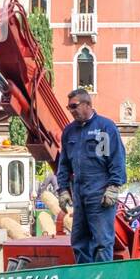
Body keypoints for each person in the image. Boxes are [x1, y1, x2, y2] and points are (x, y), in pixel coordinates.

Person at [55, 87, 127, 263]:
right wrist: (63, 190)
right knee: (79, 242)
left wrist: (113, 187)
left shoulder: (105, 127)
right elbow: (63, 163)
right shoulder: (69, 132)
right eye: (69, 107)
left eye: (74, 106)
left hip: (100, 194)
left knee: (102, 242)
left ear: (87, 104)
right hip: (80, 195)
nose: (71, 111)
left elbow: (117, 158)